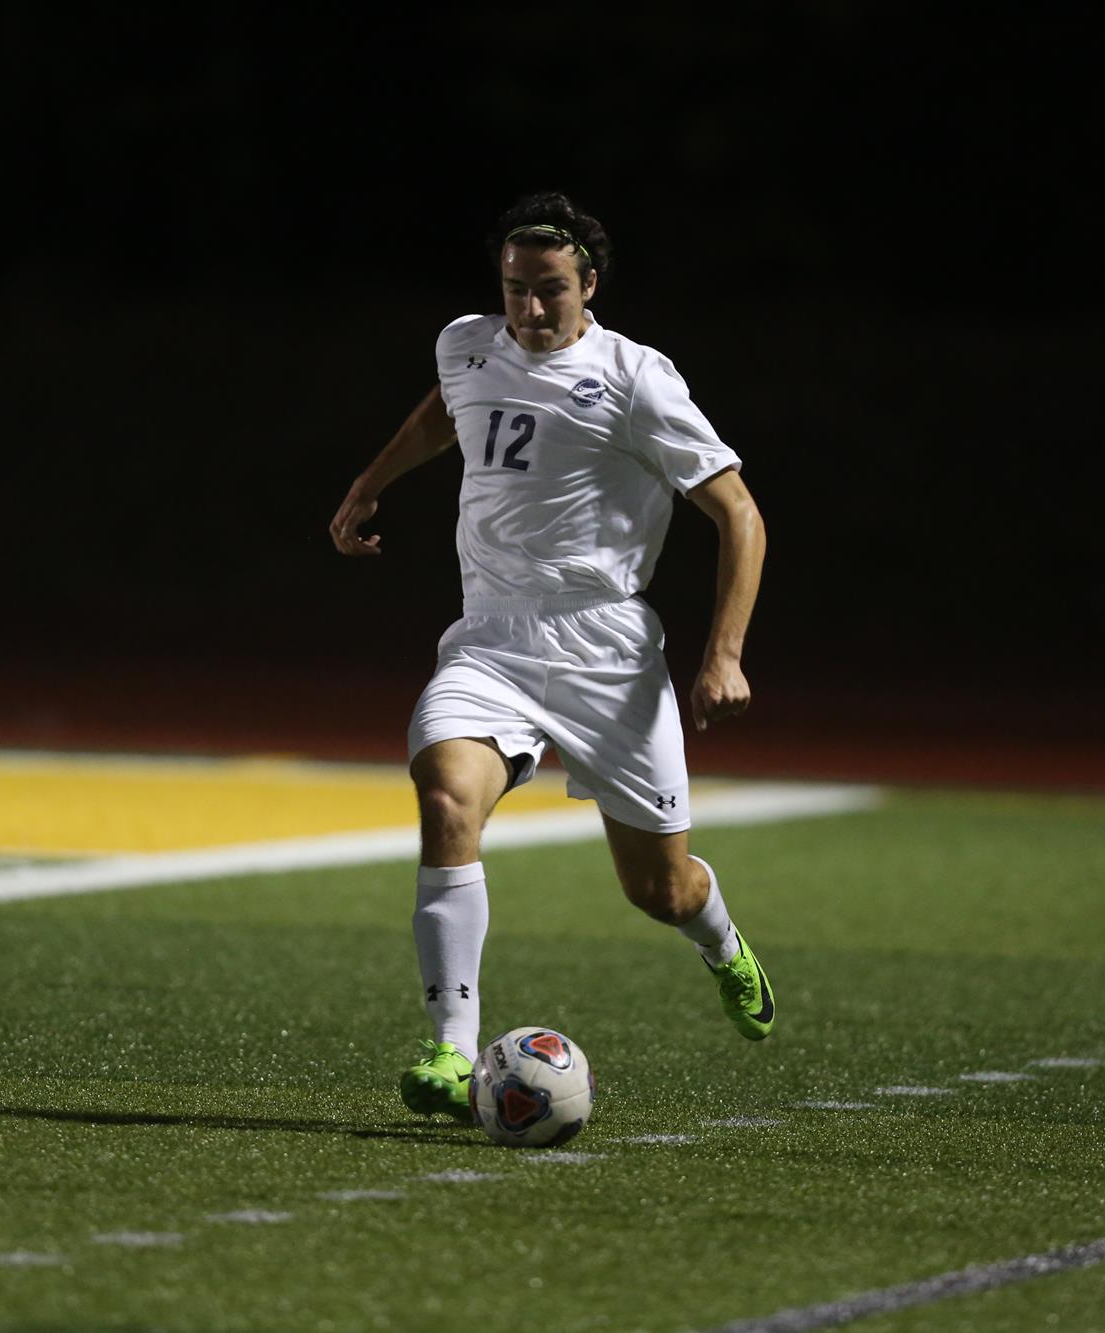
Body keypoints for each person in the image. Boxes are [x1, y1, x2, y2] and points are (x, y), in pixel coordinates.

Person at [328, 191, 772, 1120]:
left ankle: (722, 939)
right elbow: (446, 412)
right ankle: (450, 1052)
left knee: (660, 887)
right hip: (490, 639)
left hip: (606, 653)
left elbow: (739, 513)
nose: (529, 312)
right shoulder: (468, 342)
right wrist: (371, 484)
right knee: (447, 794)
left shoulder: (637, 378)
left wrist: (723, 654)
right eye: (514, 289)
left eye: (550, 292)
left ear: (591, 285)